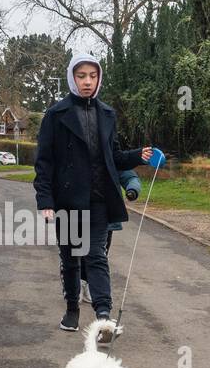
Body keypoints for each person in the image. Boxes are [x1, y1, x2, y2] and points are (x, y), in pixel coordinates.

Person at [32, 51, 154, 332]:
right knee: (71, 257)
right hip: (68, 200)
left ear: (99, 78)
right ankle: (72, 310)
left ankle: (102, 317)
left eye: (93, 75)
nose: (88, 81)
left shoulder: (107, 113)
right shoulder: (56, 114)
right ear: (72, 78)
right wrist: (45, 200)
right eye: (81, 75)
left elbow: (113, 157)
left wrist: (138, 155)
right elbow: (44, 162)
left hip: (99, 198)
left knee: (96, 255)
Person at [78, 167, 140, 304]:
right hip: (79, 212)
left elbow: (130, 177)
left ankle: (89, 284)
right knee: (78, 250)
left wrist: (132, 189)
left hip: (106, 216)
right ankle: (76, 284)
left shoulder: (112, 155)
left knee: (99, 254)